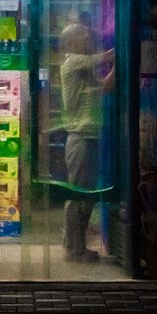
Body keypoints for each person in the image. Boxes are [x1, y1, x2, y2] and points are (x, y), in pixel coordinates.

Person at [59, 21, 115, 262]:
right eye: (84, 34)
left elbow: (104, 87)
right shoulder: (72, 62)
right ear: (71, 42)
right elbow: (101, 58)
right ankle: (74, 247)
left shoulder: (85, 70)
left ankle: (76, 244)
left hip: (89, 138)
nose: (89, 36)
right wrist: (117, 52)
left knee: (86, 197)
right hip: (80, 138)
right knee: (78, 197)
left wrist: (117, 68)